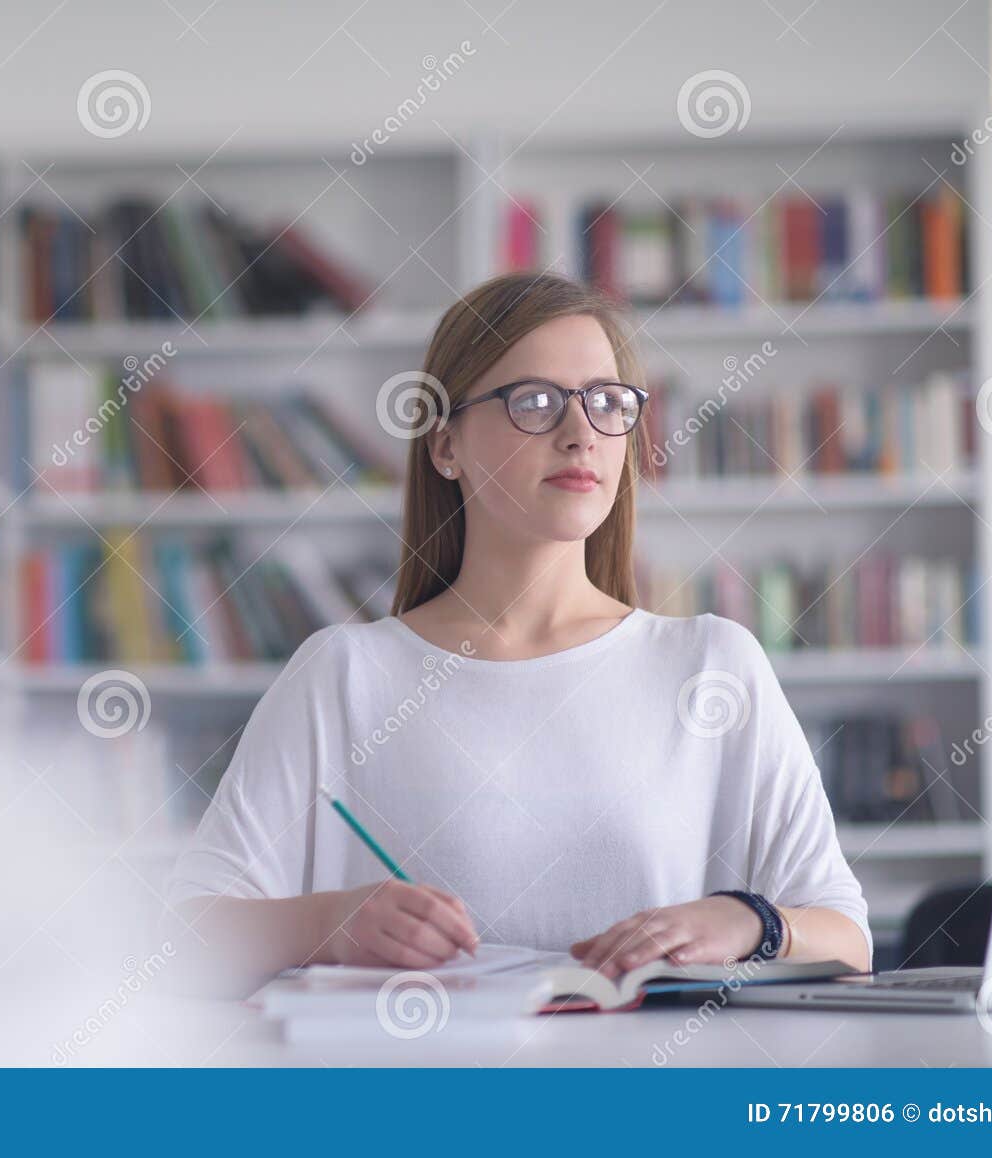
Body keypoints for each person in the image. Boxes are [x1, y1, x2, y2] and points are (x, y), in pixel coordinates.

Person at [164, 271, 871, 988]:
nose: (580, 435)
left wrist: (754, 920)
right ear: (445, 446)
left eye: (606, 402)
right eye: (535, 402)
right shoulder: (344, 675)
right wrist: (326, 923)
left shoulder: (714, 662)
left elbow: (848, 938)